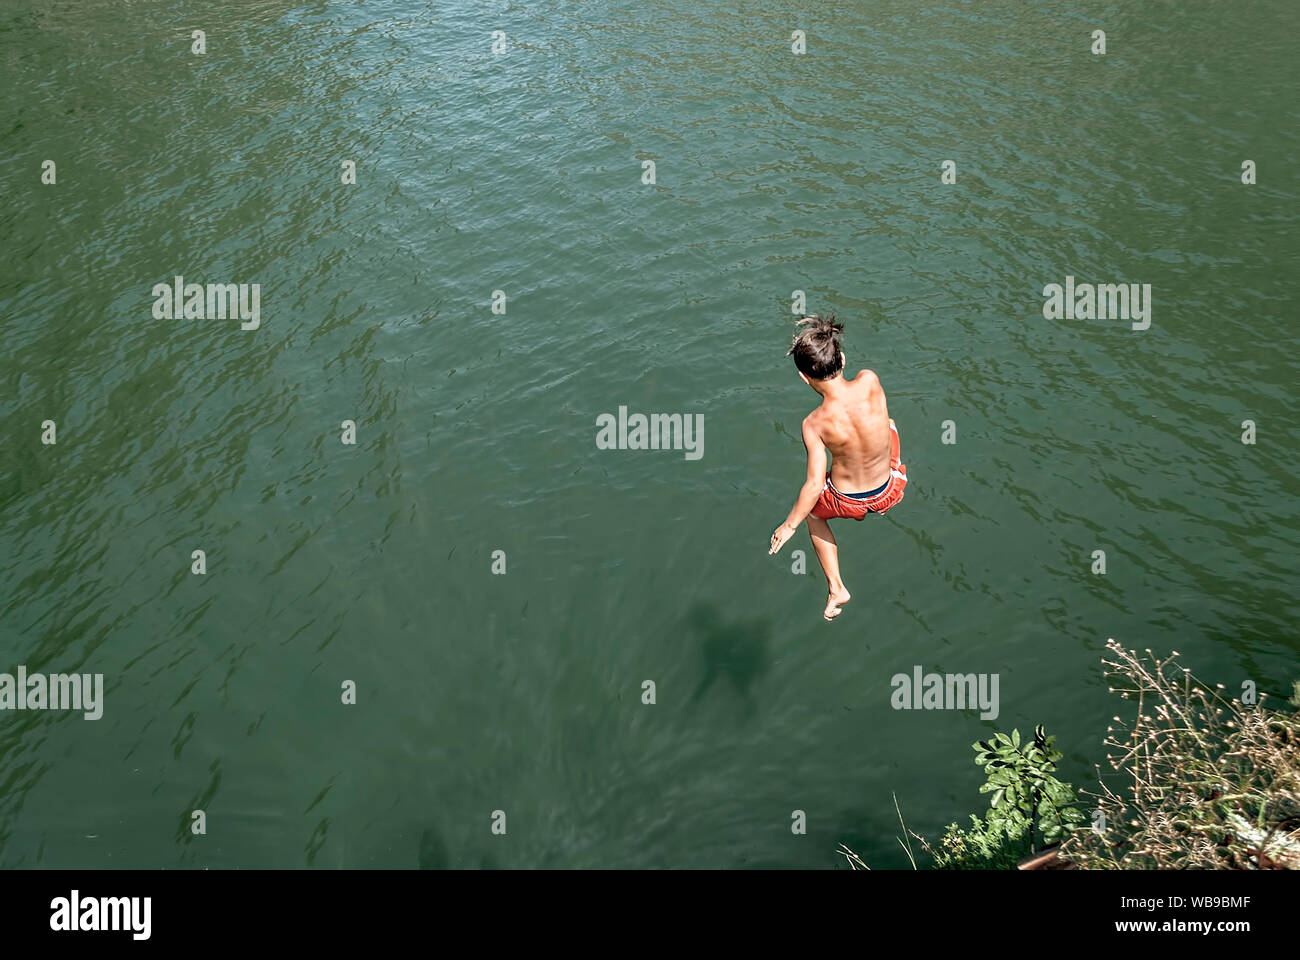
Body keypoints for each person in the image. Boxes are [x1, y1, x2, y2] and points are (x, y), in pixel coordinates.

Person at [768, 315, 908, 620]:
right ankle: (873, 506)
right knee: (890, 424)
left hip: (847, 501)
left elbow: (814, 484)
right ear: (842, 359)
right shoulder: (870, 380)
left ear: (804, 378)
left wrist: (789, 525)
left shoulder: (813, 424)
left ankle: (837, 588)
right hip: (892, 488)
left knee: (814, 514)